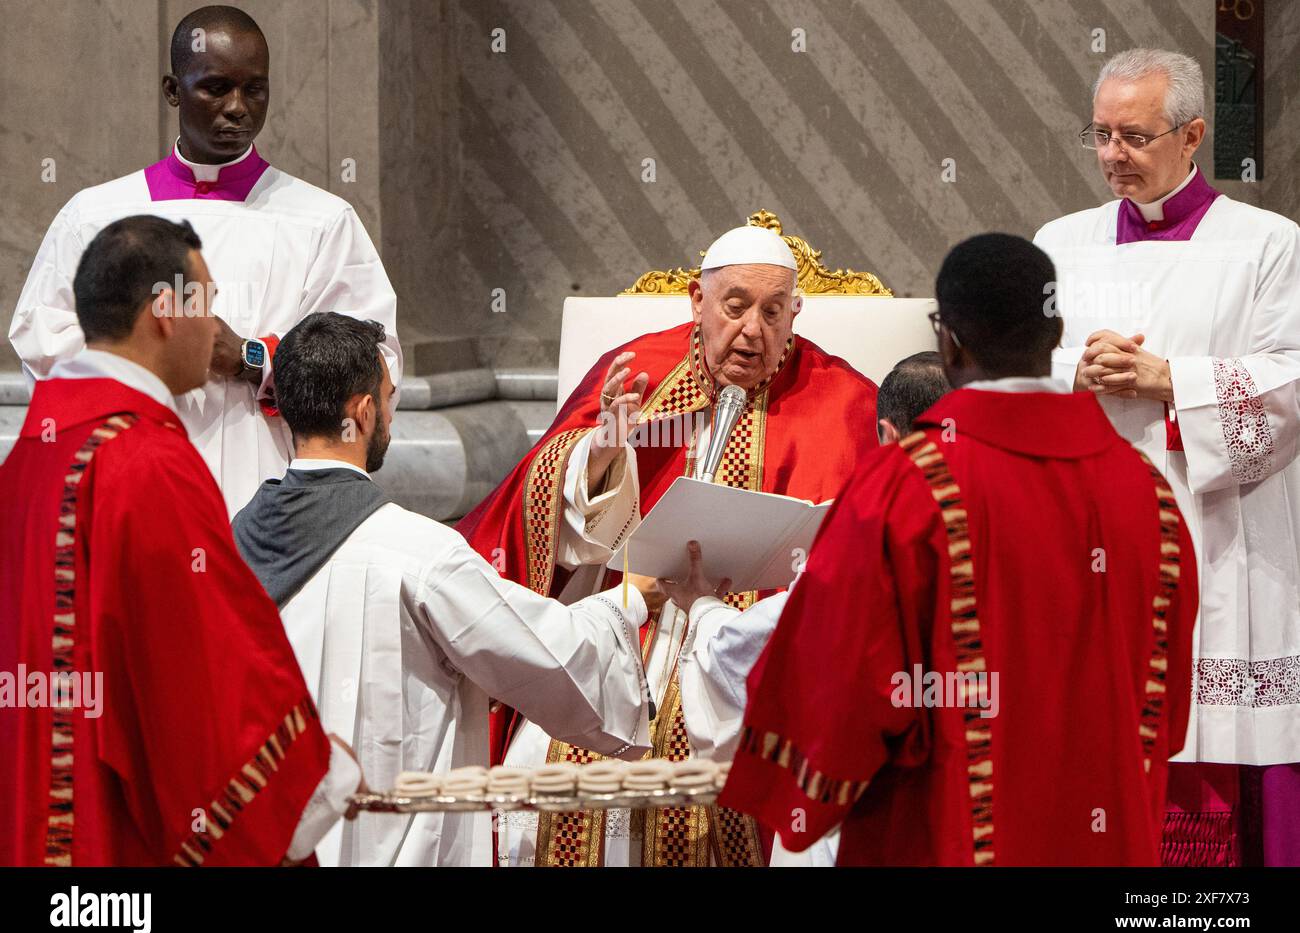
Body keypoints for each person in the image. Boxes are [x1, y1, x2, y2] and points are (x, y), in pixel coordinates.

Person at [721, 233, 1198, 865]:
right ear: (1056, 338)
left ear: (946, 339)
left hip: (941, 838)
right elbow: (1164, 722)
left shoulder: (905, 486)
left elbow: (837, 695)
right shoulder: (1152, 497)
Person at [459, 224, 879, 866]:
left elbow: (872, 543)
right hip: (632, 611)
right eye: (735, 307)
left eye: (773, 313)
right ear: (697, 300)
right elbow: (540, 507)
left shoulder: (842, 400)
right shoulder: (641, 373)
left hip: (758, 638)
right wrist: (601, 453)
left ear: (795, 312)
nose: (753, 332)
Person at [232, 312, 711, 866]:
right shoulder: (417, 555)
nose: (390, 412)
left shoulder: (230, 541)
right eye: (388, 398)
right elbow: (546, 657)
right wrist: (633, 599)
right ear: (364, 413)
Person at [0, 215, 364, 866]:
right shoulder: (147, 462)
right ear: (165, 312)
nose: (215, 326)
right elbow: (200, 672)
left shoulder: (29, 457)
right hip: (112, 842)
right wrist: (311, 777)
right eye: (208, 302)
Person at [1034, 48, 1300, 865]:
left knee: (1210, 766)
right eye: (1101, 134)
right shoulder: (1058, 242)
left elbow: (1291, 383)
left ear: (1191, 136)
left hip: (1219, 533)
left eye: (1135, 137)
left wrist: (1169, 380)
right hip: (1088, 538)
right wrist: (1070, 369)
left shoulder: (1268, 243)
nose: (1113, 155)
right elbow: (1008, 368)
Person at [9, 4, 398, 517]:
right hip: (130, 486)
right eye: (216, 88)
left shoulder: (323, 221)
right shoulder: (95, 214)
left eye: (254, 89)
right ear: (174, 90)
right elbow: (42, 344)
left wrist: (251, 359)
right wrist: (155, 350)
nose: (237, 107)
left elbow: (372, 369)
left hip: (271, 499)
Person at [674, 349, 948, 866]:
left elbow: (740, 658)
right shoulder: (1021, 527)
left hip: (861, 821)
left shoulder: (864, 548)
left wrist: (703, 606)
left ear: (887, 438)